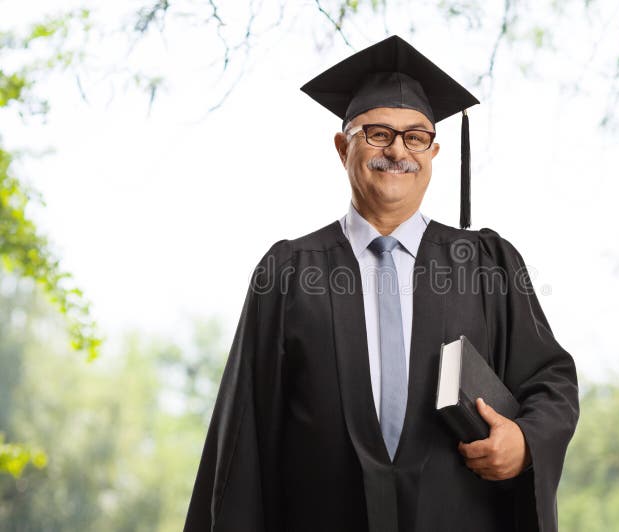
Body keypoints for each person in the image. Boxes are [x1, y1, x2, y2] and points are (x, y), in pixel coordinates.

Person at [184, 35, 579, 532]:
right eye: (377, 134)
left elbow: (551, 381)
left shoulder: (487, 264)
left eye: (415, 137)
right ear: (342, 145)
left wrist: (525, 443)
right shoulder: (286, 271)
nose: (398, 150)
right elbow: (243, 435)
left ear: (433, 151)